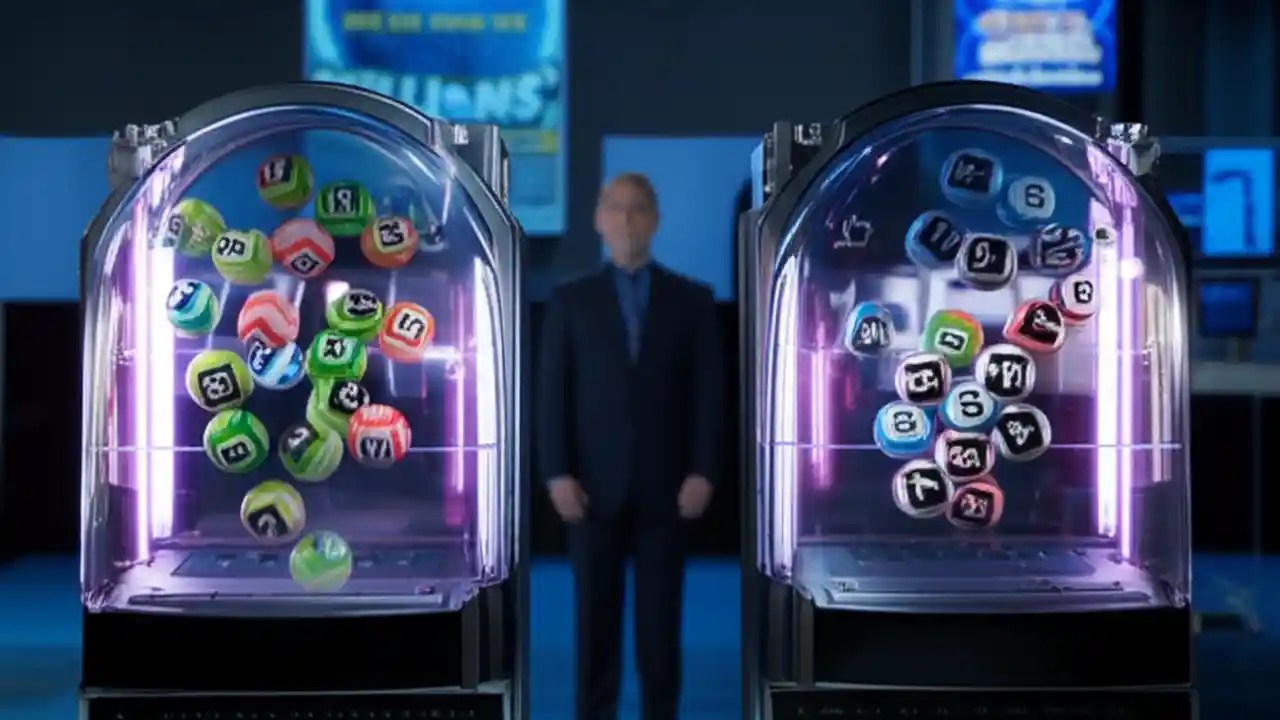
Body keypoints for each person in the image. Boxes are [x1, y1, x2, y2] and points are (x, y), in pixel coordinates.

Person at [537, 172, 725, 720]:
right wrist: (555, 473)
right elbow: (552, 395)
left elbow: (709, 396)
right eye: (615, 208)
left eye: (637, 209)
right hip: (589, 491)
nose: (625, 219)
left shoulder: (693, 300)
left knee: (660, 631)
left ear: (655, 219)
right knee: (594, 627)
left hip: (669, 491)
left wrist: (704, 471)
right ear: (598, 218)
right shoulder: (570, 301)